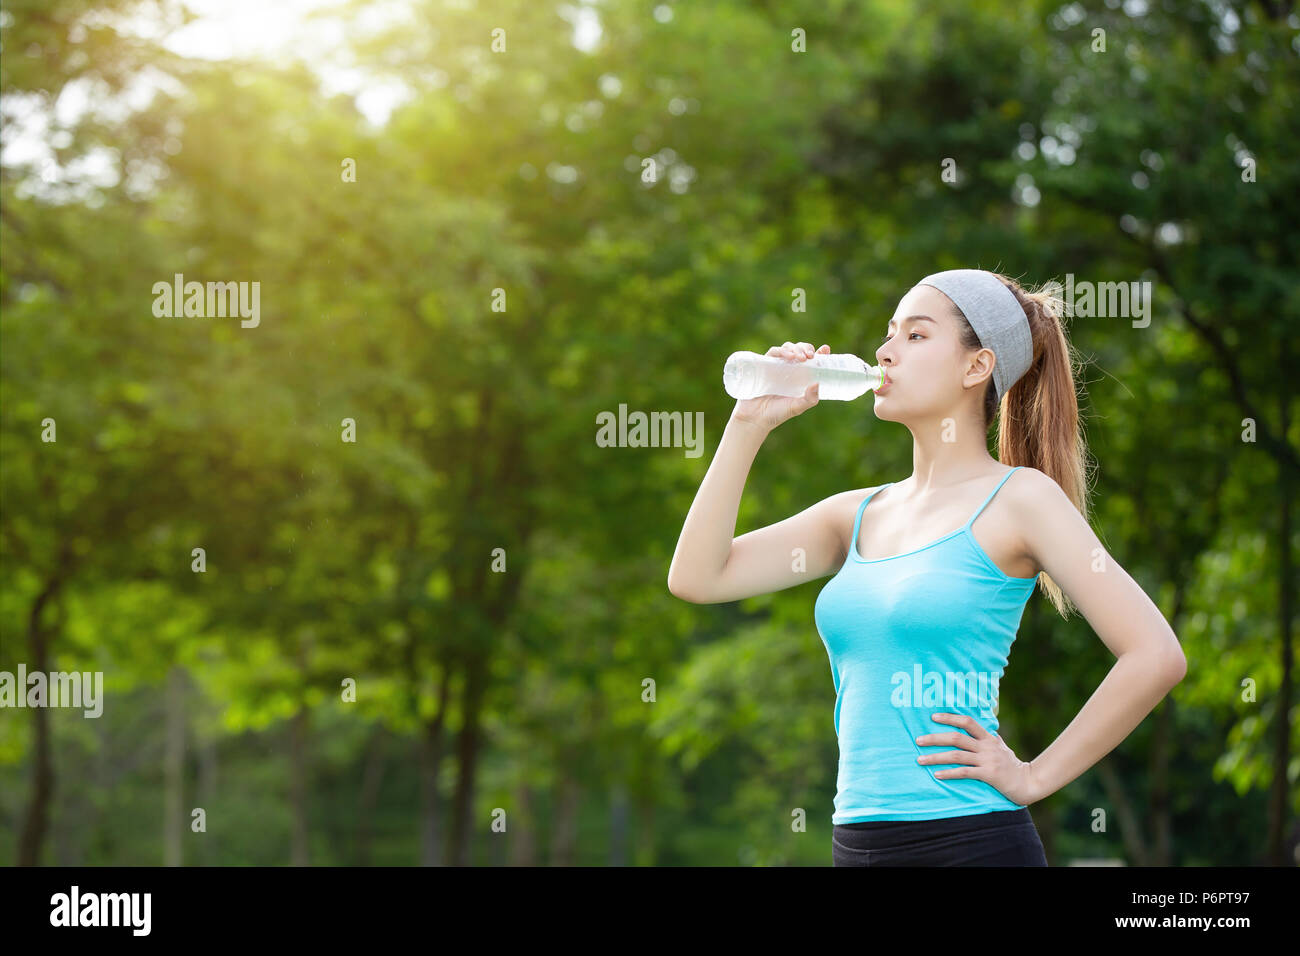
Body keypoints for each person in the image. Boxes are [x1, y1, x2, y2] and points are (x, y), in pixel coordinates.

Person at [667, 269, 1187, 866]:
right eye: (889, 333)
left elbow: (1155, 655)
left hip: (970, 842)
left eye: (916, 336)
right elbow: (697, 577)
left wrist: (1033, 777)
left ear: (976, 367)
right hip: (856, 843)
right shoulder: (855, 515)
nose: (885, 351)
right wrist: (748, 422)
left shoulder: (1022, 500)